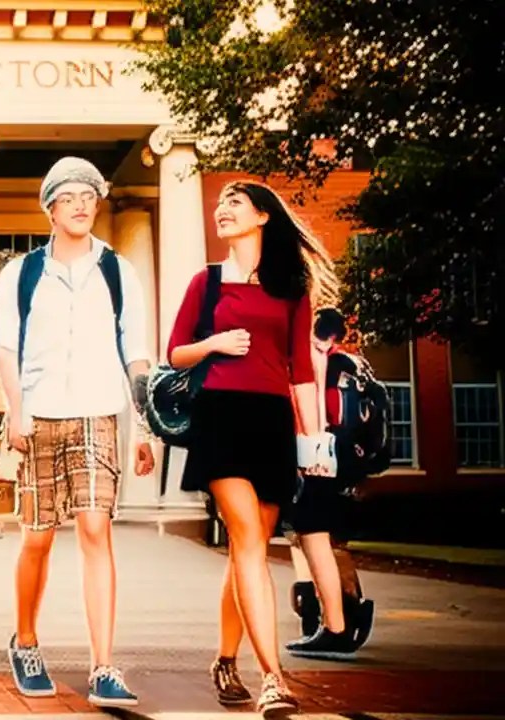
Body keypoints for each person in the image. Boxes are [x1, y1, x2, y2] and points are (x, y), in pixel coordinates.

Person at [165, 180, 338, 718]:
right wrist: (214, 343)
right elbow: (175, 353)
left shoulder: (292, 286)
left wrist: (312, 439)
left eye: (233, 204)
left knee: (250, 550)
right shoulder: (207, 284)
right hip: (220, 417)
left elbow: (302, 371)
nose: (222, 210)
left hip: (270, 423)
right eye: (220, 205)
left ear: (262, 217)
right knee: (245, 538)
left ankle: (224, 658)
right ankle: (273, 680)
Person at [0, 157, 156, 707]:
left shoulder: (117, 271)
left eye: (90, 195)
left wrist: (143, 426)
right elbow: (5, 347)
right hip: (38, 414)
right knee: (37, 537)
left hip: (98, 412)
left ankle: (104, 665)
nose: (82, 204)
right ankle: (26, 641)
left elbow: (136, 352)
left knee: (94, 529)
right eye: (71, 196)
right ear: (51, 209)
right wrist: (15, 410)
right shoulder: (22, 272)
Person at [284, 307, 377, 658]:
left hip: (312, 456)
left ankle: (330, 623)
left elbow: (302, 406)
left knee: (308, 535)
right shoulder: (349, 365)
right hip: (341, 461)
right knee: (329, 539)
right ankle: (343, 615)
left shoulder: (305, 356)